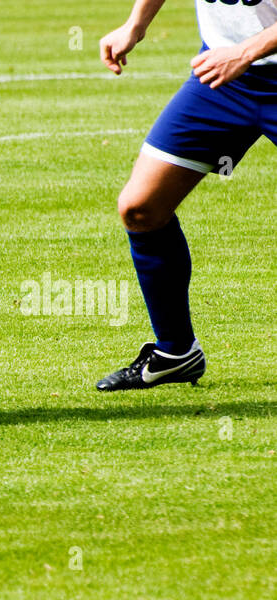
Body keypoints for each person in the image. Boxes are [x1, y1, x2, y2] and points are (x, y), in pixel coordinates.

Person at [96, 0, 277, 391]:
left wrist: (245, 51)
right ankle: (177, 352)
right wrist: (135, 24)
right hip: (224, 79)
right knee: (142, 208)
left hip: (239, 60)